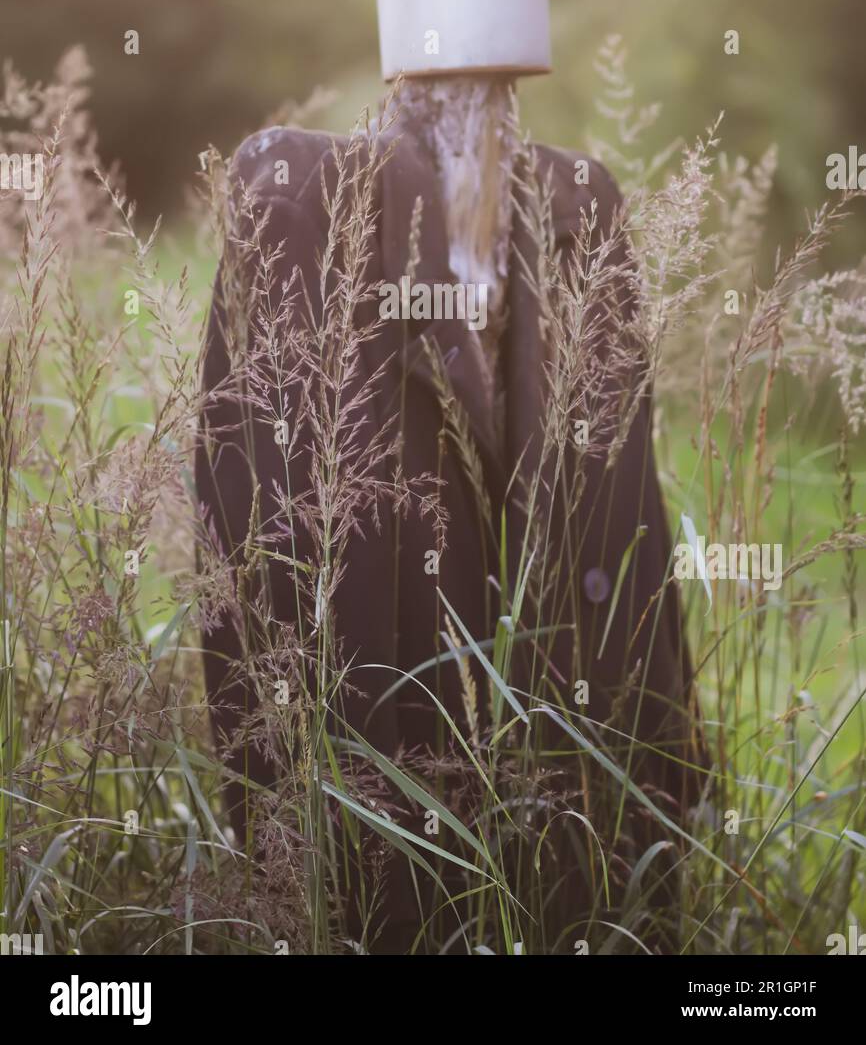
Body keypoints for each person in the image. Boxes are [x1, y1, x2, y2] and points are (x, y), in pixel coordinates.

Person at [195, 73, 704, 953]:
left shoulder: (581, 211)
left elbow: (635, 530)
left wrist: (666, 786)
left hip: (577, 859)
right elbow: (263, 563)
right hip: (387, 834)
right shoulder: (296, 196)